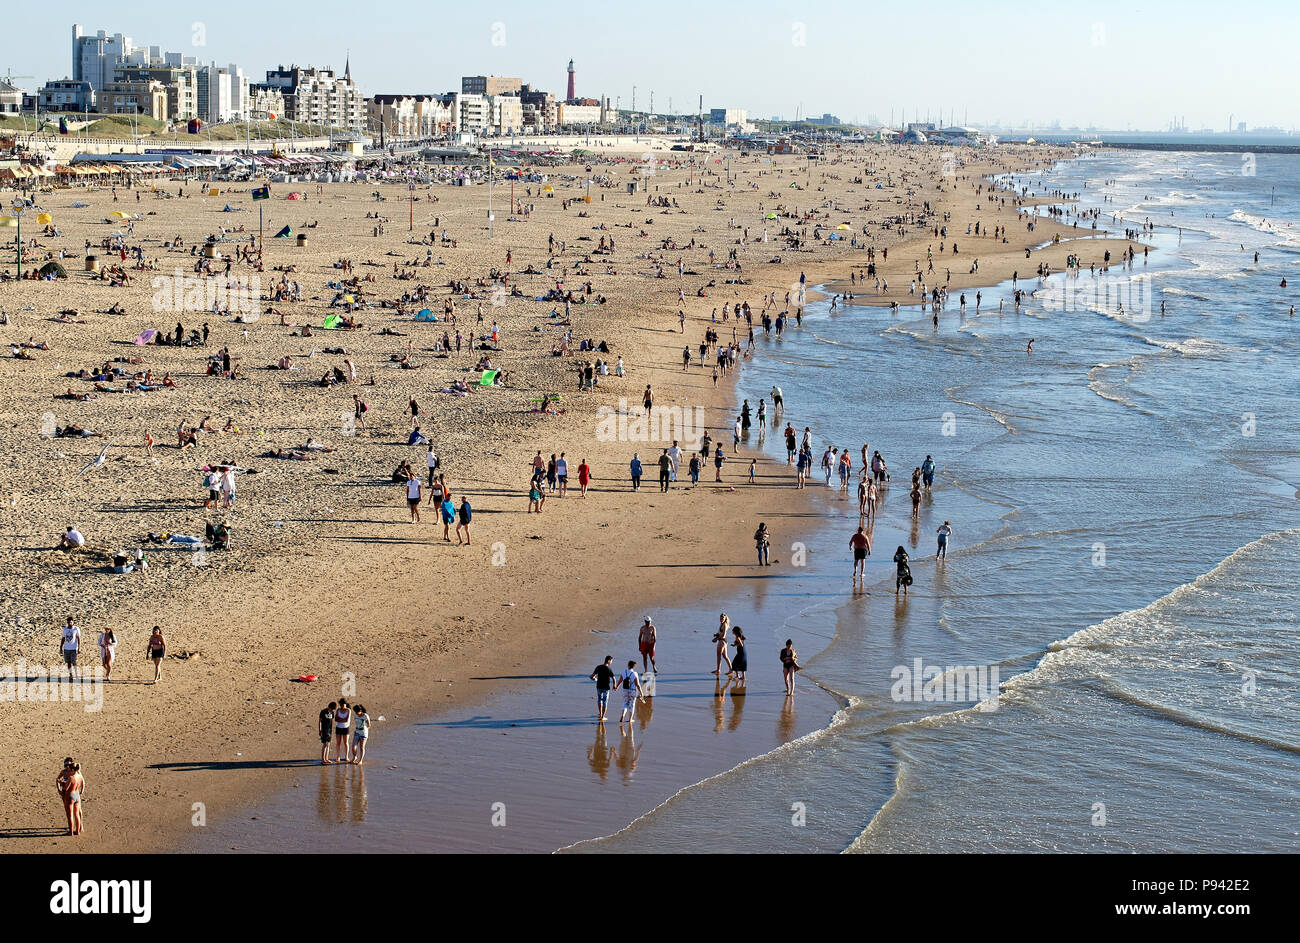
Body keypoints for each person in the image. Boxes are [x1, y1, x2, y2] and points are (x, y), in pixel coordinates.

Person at [57, 758, 85, 836]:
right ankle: (78, 831)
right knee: (76, 814)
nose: (67, 767)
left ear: (72, 768)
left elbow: (66, 788)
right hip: (77, 795)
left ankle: (71, 831)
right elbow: (82, 782)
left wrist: (61, 783)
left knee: (70, 815)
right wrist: (81, 791)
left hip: (70, 795)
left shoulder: (71, 778)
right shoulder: (79, 776)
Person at [616, 660, 645, 724]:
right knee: (632, 705)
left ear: (628, 665)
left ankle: (623, 715)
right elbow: (637, 684)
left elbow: (620, 680)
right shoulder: (635, 674)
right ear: (634, 666)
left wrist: (617, 687)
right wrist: (641, 692)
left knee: (625, 703)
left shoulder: (624, 671)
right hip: (632, 691)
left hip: (625, 690)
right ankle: (630, 719)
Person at [590, 655, 616, 723]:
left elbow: (591, 676)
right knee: (605, 702)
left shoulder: (598, 667)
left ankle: (600, 713)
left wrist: (595, 679)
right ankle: (602, 717)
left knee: (599, 700)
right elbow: (613, 678)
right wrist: (614, 685)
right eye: (611, 661)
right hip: (606, 688)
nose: (611, 663)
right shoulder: (609, 669)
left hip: (599, 687)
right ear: (608, 661)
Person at [334, 698, 354, 764]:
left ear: (345, 704)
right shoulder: (338, 710)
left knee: (346, 743)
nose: (342, 706)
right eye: (341, 705)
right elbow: (336, 719)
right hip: (338, 727)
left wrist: (340, 719)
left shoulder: (348, 710)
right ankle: (338, 756)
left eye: (343, 704)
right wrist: (341, 719)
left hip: (345, 728)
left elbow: (346, 720)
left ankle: (346, 756)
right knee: (338, 743)